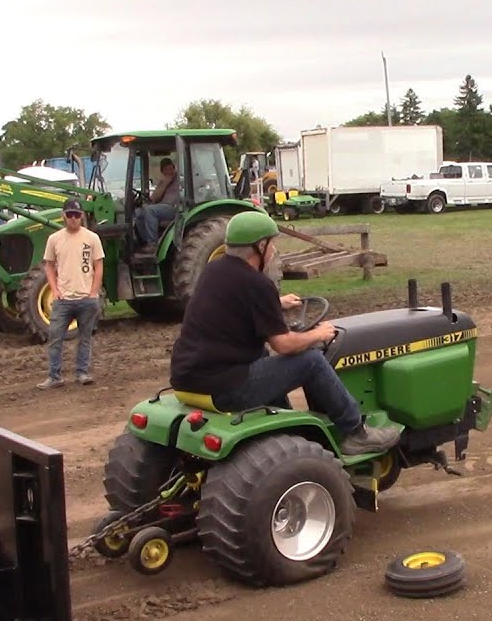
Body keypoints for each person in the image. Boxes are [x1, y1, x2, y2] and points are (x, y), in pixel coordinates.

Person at [169, 211, 401, 456]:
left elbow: (233, 302)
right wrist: (318, 334)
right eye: (273, 244)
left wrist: (276, 302)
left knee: (263, 354)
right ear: (260, 246)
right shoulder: (257, 284)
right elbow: (285, 345)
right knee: (310, 360)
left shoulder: (214, 271)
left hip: (188, 378)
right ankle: (355, 432)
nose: (273, 251)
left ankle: (288, 430)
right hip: (224, 388)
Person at [37, 199, 105, 390]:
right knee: (55, 337)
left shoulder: (92, 238)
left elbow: (98, 265)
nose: (73, 219)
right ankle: (54, 376)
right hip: (63, 300)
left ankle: (82, 373)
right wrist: (55, 290)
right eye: (70, 215)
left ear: (82, 216)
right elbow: (49, 265)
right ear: (63, 216)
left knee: (85, 338)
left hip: (86, 299)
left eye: (76, 215)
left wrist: (94, 291)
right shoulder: (54, 239)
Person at [138, 157, 180, 253]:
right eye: (166, 170)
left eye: (170, 169)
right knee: (139, 213)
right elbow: (154, 198)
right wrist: (165, 183)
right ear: (162, 172)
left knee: (150, 210)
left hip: (175, 209)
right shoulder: (163, 182)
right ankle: (146, 241)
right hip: (162, 208)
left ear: (174, 168)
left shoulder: (180, 179)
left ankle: (153, 244)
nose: (169, 172)